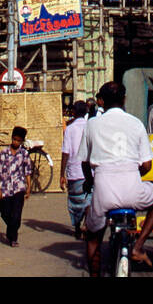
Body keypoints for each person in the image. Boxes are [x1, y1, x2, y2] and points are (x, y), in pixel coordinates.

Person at [79, 81, 153, 275]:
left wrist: (90, 181)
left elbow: (84, 163)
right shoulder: (136, 123)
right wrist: (134, 174)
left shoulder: (92, 124)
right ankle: (138, 246)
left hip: (103, 190)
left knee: (93, 238)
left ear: (101, 102)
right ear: (124, 99)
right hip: (133, 189)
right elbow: (146, 165)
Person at [0, 126, 31, 246]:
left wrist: (29, 187)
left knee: (16, 214)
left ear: (22, 141)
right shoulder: (4, 153)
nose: (15, 142)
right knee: (5, 211)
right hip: (5, 188)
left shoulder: (24, 154)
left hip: (19, 187)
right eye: (14, 139)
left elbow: (27, 171)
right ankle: (11, 230)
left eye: (18, 140)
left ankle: (13, 238)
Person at [60, 100, 91, 238]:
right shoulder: (91, 127)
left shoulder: (70, 129)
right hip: (90, 171)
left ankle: (78, 226)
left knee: (75, 201)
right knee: (88, 200)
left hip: (74, 171)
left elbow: (65, 152)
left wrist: (62, 174)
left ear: (73, 112)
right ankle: (86, 224)